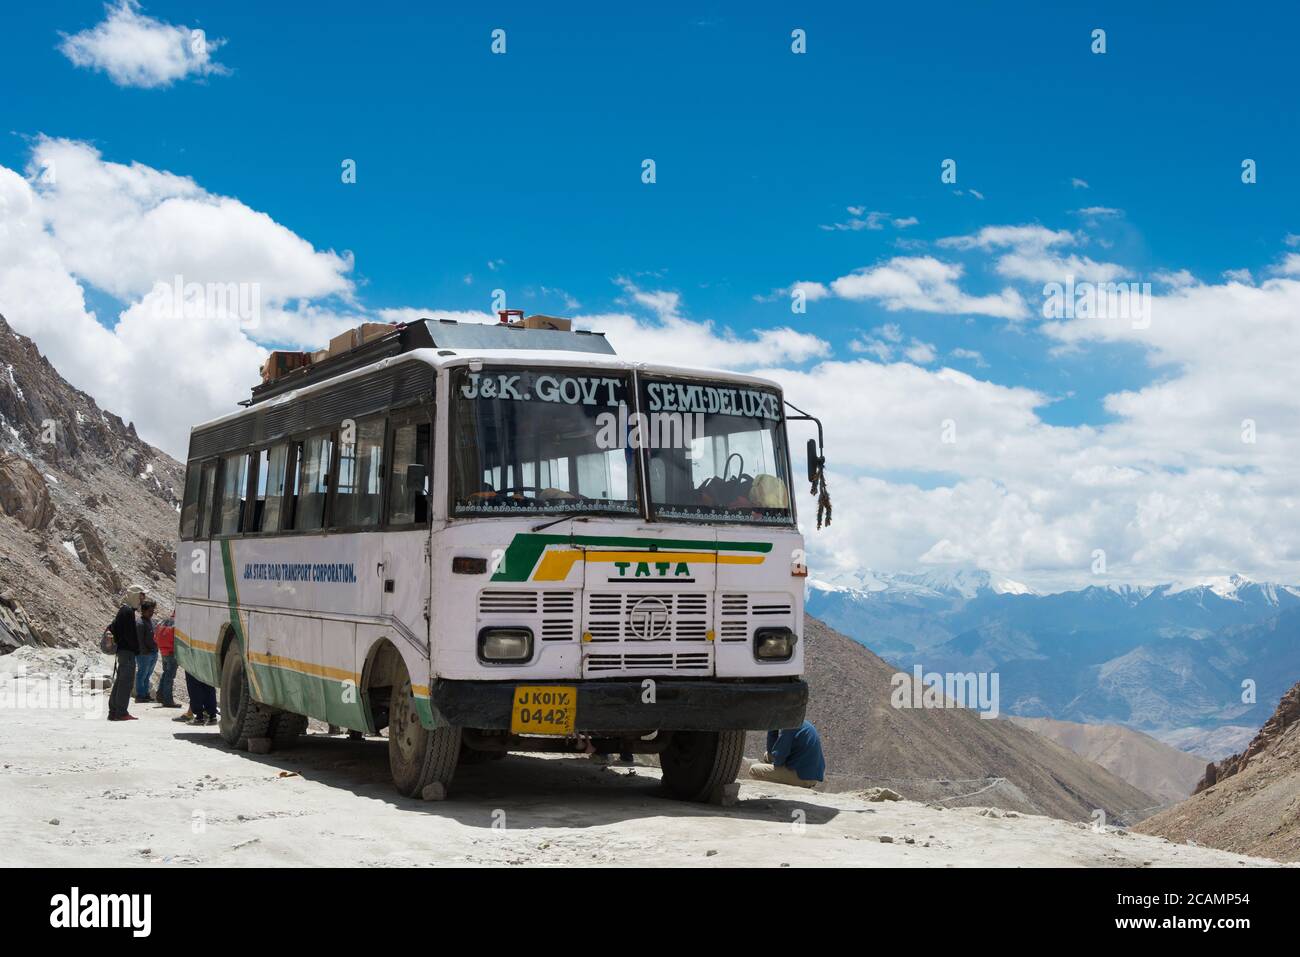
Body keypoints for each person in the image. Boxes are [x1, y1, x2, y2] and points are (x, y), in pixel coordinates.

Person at [106, 585, 146, 722]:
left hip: (123, 652)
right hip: (127, 652)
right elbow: (130, 636)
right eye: (141, 595)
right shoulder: (128, 612)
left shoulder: (124, 610)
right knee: (126, 682)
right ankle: (121, 712)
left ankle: (113, 711)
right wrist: (137, 650)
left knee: (120, 681)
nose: (143, 599)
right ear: (135, 596)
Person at [748, 719, 825, 789]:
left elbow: (778, 760)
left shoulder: (789, 727)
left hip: (802, 777)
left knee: (754, 770)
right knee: (767, 756)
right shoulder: (800, 723)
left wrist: (772, 729)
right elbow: (771, 754)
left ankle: (776, 791)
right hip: (813, 775)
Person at [134, 599, 159, 703]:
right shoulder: (139, 623)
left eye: (152, 611)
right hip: (144, 654)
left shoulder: (151, 622)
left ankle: (145, 693)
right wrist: (145, 652)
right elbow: (139, 640)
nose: (152, 613)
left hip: (153, 653)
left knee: (147, 675)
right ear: (143, 611)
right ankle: (140, 695)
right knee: (142, 674)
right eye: (150, 611)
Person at [153, 609, 179, 708]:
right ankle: (168, 700)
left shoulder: (163, 621)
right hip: (172, 652)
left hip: (163, 651)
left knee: (165, 673)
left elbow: (155, 637)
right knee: (170, 676)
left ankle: (160, 695)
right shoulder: (179, 623)